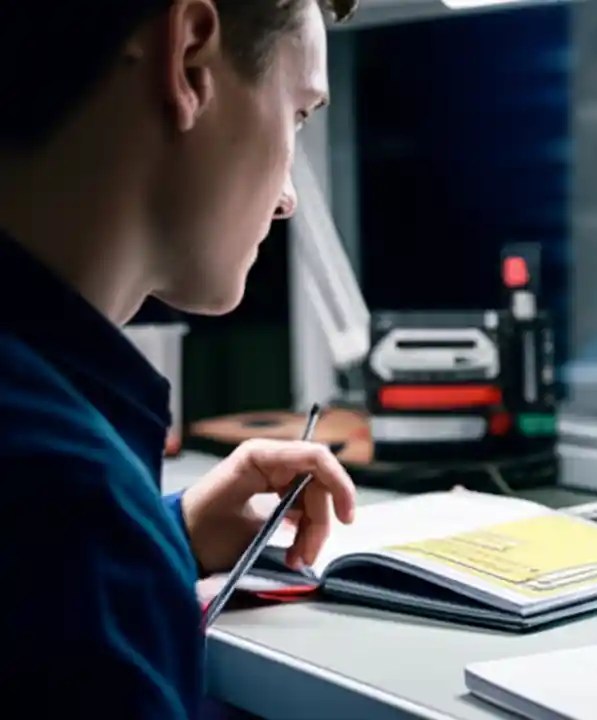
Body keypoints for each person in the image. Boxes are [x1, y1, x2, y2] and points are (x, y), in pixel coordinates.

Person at [0, 1, 359, 717]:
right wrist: (113, 545)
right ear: (190, 60)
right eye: (297, 114)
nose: (288, 197)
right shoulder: (58, 497)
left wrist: (165, 532)